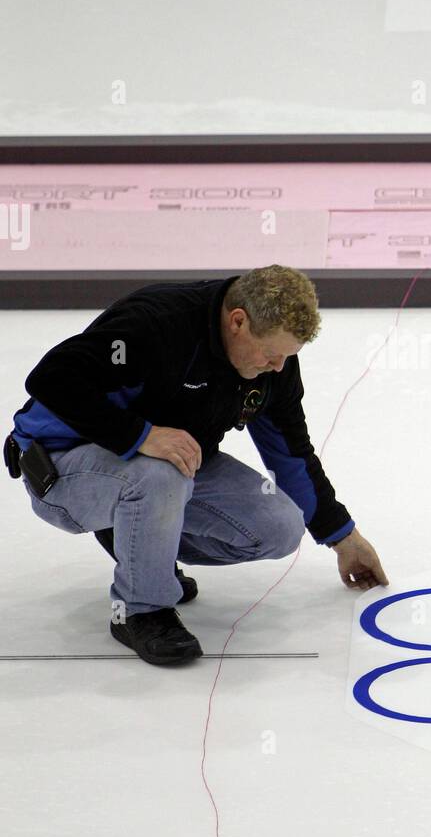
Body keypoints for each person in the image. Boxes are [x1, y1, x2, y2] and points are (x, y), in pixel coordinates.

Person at [3, 265, 387, 668]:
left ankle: (137, 543)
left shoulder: (274, 367)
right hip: (62, 464)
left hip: (162, 467)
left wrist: (344, 537)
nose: (278, 367)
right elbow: (52, 378)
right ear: (238, 320)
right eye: (272, 353)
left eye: (288, 357)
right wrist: (140, 435)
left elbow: (291, 454)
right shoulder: (157, 324)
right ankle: (142, 611)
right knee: (159, 476)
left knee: (279, 526)